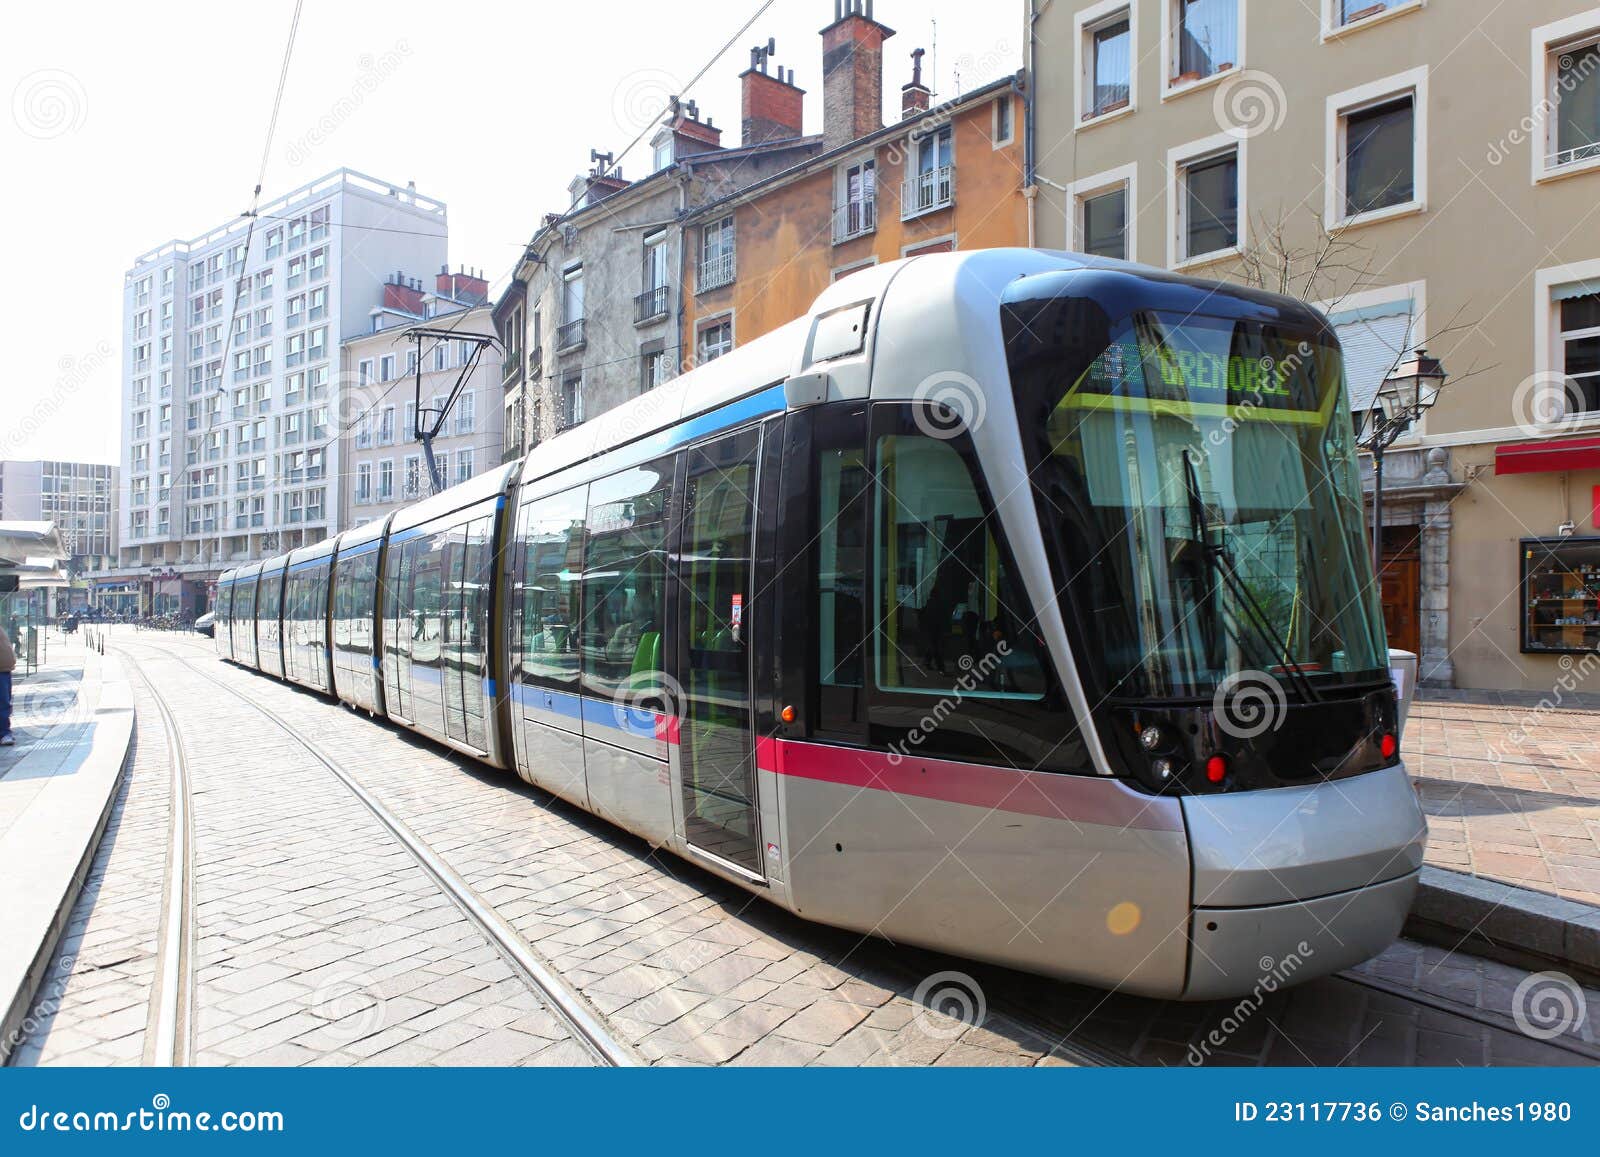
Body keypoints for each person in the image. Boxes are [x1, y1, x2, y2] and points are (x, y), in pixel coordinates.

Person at [0, 621, 15, 746]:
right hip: (4, 669)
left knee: (3, 703)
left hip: (3, 670)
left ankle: (4, 733)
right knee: (3, 703)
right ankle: (4, 733)